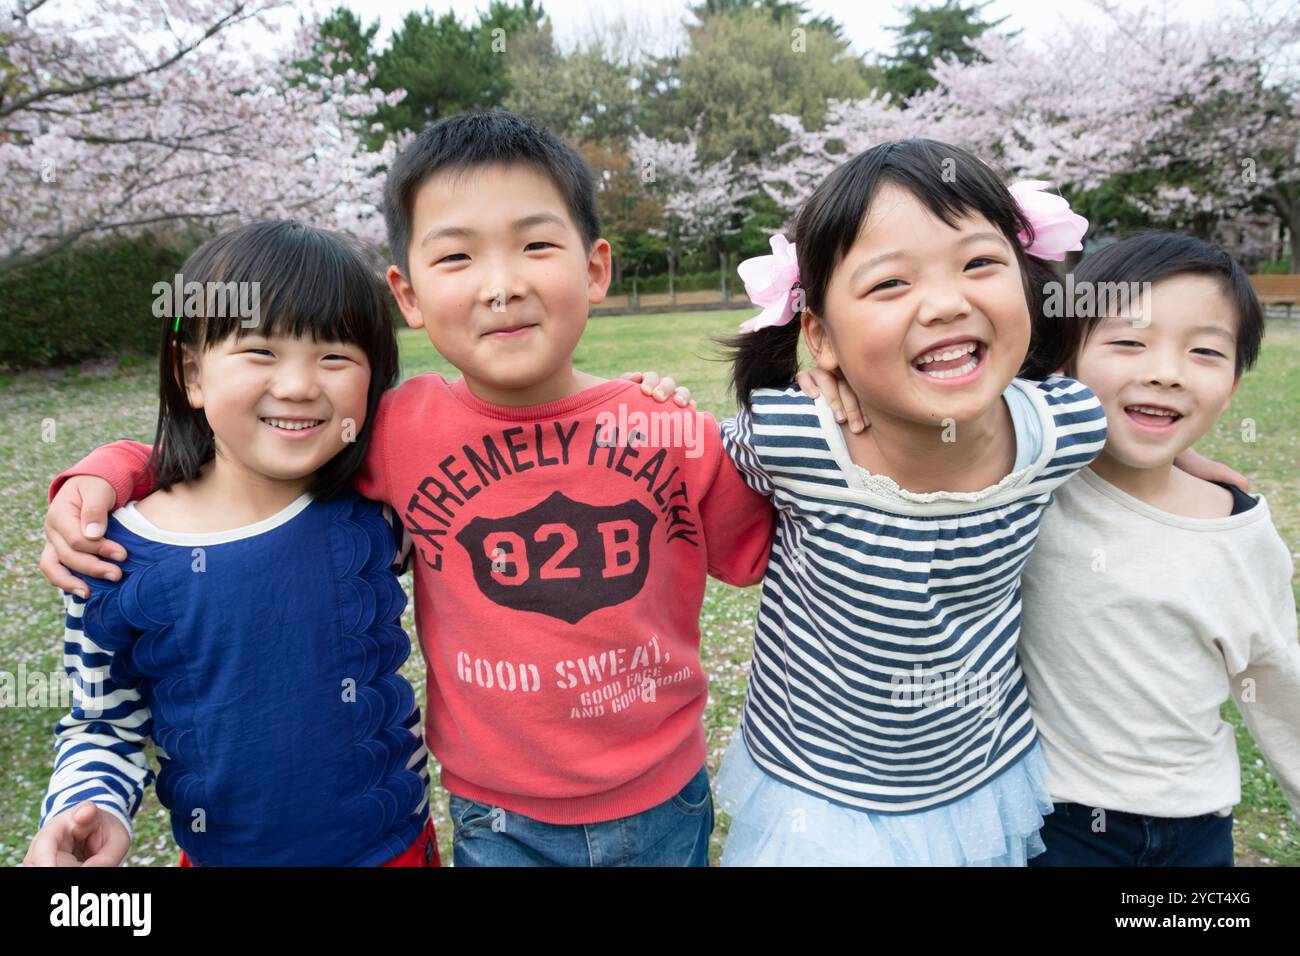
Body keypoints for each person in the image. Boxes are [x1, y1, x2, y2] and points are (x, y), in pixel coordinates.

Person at [38, 110, 774, 867]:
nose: (502, 285)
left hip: (662, 797)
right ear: (409, 294)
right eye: (457, 256)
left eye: (536, 245)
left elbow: (767, 537)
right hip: (496, 815)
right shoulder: (394, 431)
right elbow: (248, 455)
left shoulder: (666, 429)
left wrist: (824, 400)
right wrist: (110, 469)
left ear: (594, 267)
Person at [712, 140, 1106, 865]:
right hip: (820, 787)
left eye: (980, 263)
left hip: (980, 769)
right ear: (821, 336)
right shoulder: (795, 440)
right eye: (891, 283)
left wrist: (1188, 464)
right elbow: (661, 464)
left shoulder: (1065, 428)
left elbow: (1143, 439)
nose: (948, 301)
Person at [25, 220, 437, 867]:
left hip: (397, 850)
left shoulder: (381, 507)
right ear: (192, 373)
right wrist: (92, 808)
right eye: (260, 352)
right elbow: (102, 721)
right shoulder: (109, 555)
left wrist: (636, 404)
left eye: (335, 356)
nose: (300, 385)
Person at [1015, 233, 1300, 866]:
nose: (1166, 371)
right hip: (1054, 825)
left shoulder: (1240, 531)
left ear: (1230, 386)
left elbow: (1277, 681)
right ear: (1063, 364)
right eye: (1127, 341)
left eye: (1204, 351)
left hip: (1197, 831)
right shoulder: (1026, 485)